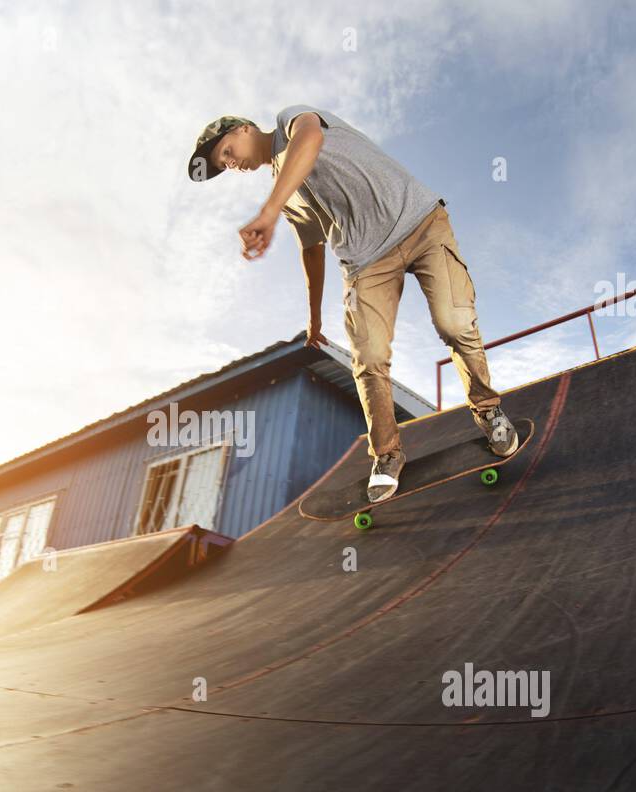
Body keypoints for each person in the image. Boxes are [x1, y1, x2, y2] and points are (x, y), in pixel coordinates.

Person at [187, 107, 517, 503]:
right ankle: (387, 454)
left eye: (226, 151)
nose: (230, 164)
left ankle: (488, 410)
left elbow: (310, 140)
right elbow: (311, 249)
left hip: (421, 222)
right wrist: (314, 320)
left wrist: (268, 212)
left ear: (242, 128)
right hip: (365, 264)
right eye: (223, 165)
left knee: (453, 321)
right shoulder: (284, 192)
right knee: (369, 356)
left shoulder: (291, 119)